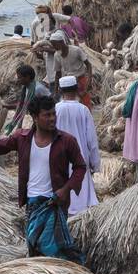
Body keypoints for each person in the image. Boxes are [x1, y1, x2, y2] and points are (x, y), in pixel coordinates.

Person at [0, 96, 86, 264]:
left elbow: (80, 167)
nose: (52, 119)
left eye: (53, 114)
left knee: (53, 248)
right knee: (34, 245)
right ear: (34, 118)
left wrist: (66, 189)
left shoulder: (66, 141)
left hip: (55, 203)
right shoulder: (22, 138)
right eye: (47, 115)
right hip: (32, 203)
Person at [55, 75, 100, 216]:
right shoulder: (83, 110)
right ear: (76, 89)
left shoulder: (55, 109)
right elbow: (91, 140)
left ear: (60, 90)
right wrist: (95, 163)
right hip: (80, 156)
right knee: (81, 189)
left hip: (59, 155)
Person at [4, 63, 48, 135]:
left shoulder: (38, 89)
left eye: (19, 77)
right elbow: (23, 105)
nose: (18, 80)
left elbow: (49, 103)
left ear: (27, 77)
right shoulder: (25, 89)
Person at [32, 5, 70, 83]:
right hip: (51, 71)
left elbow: (60, 51)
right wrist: (37, 51)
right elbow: (35, 42)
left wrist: (42, 48)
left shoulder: (58, 34)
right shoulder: (45, 32)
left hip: (60, 73)